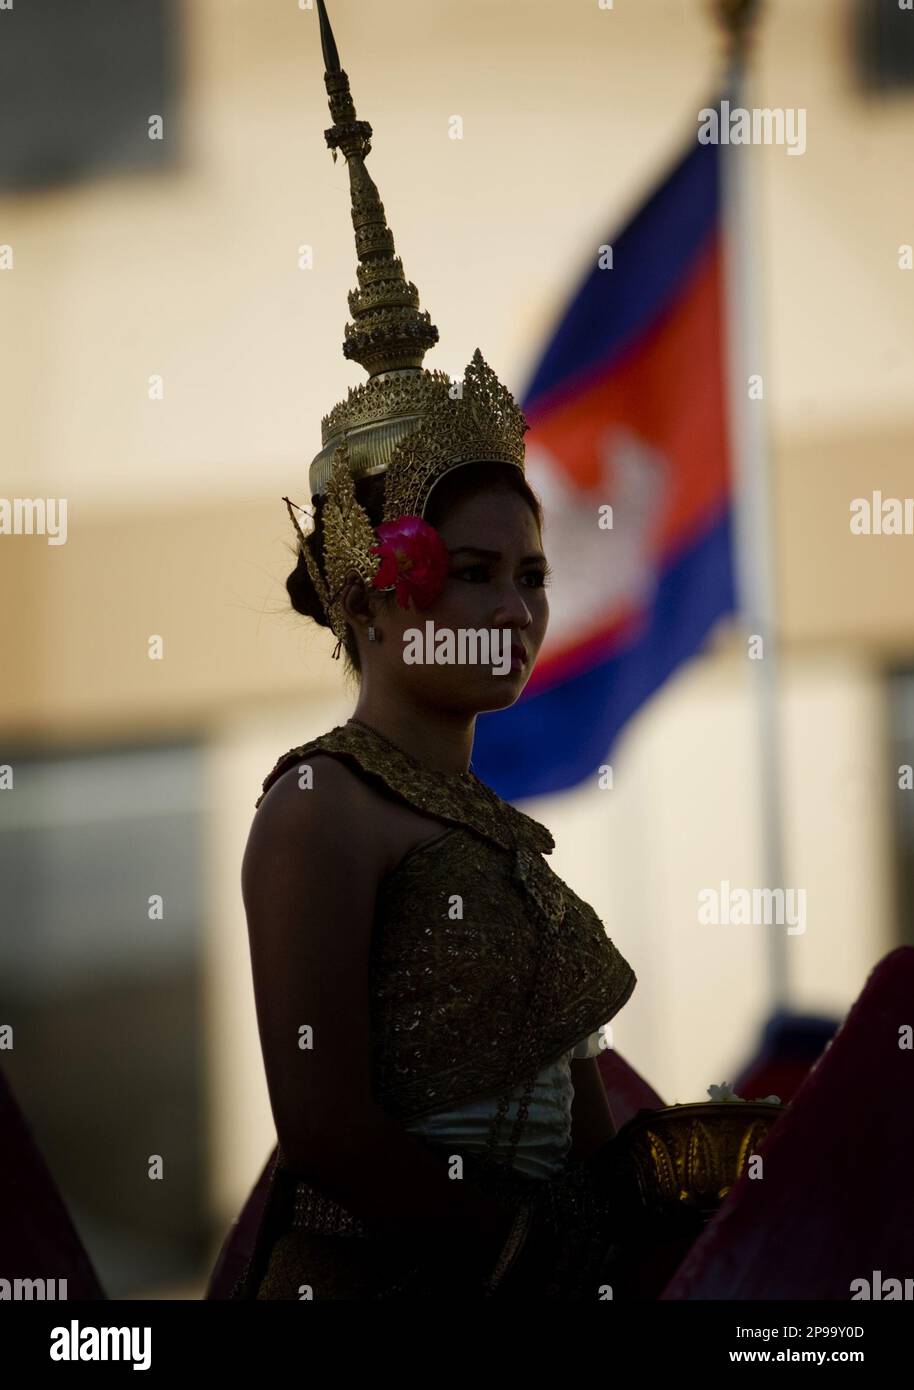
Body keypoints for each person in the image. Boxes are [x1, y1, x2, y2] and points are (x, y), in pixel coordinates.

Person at [226, 0, 638, 1300]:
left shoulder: (493, 830)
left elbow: (576, 1105)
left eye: (529, 576)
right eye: (471, 572)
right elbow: (327, 1129)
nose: (514, 608)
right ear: (369, 583)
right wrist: (526, 1259)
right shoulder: (318, 805)